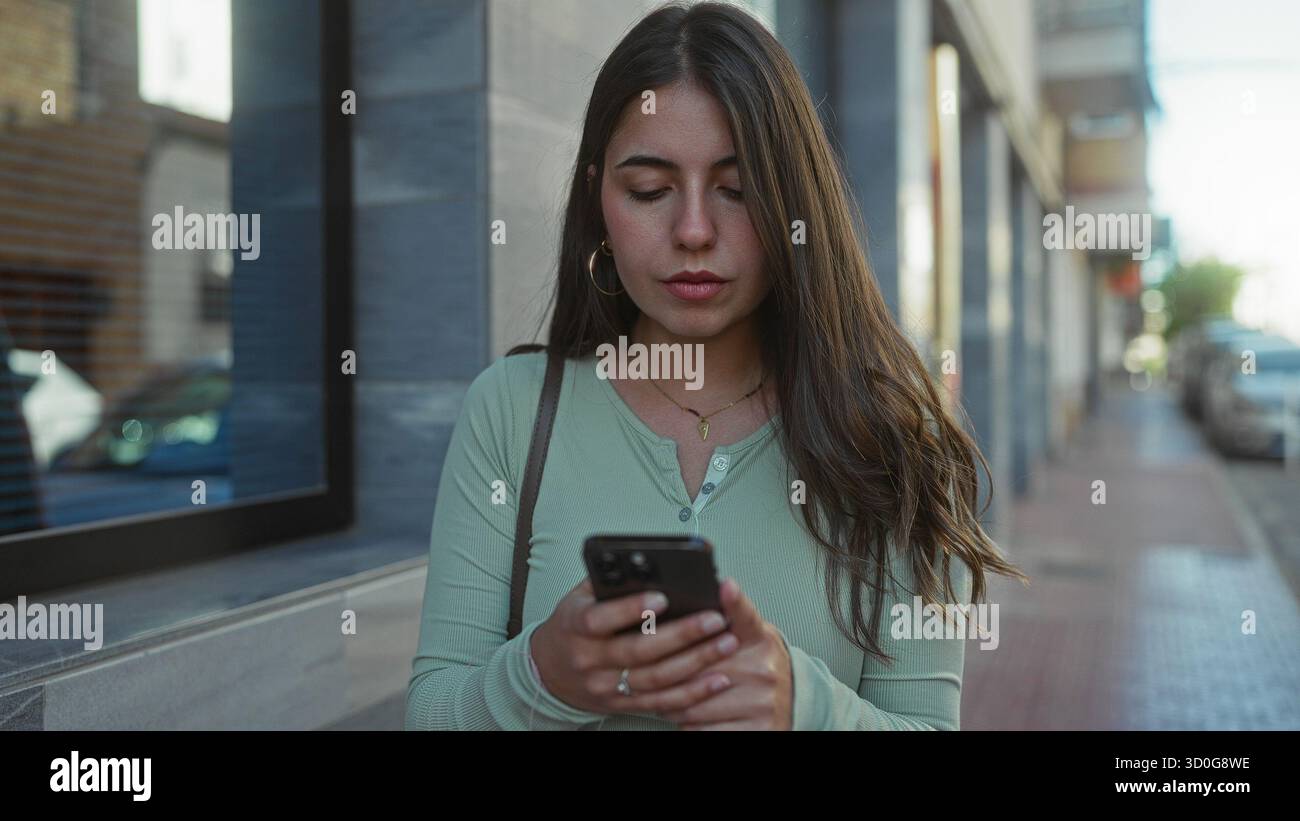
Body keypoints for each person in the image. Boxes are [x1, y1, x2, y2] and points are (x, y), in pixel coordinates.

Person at [406, 1, 1027, 731]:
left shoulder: (894, 436)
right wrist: (540, 675)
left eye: (737, 190)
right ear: (596, 195)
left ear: (795, 202)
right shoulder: (511, 411)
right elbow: (432, 712)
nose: (694, 230)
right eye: (650, 190)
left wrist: (805, 708)